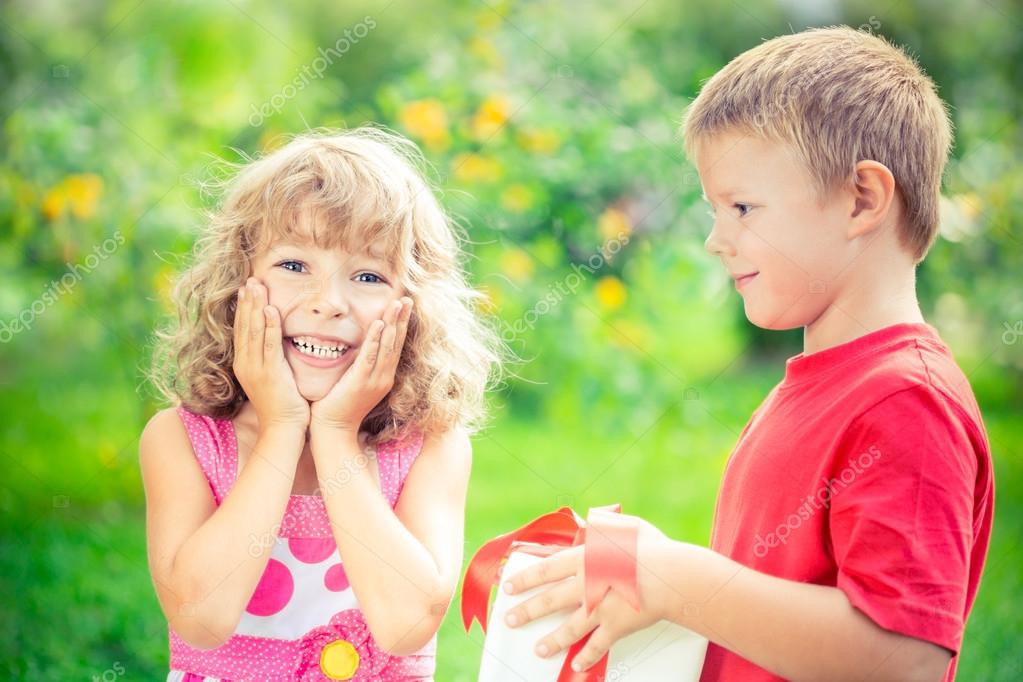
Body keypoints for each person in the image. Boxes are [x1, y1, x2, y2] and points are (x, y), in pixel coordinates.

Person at [501, 26, 994, 682]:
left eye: (741, 207)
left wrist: (680, 579)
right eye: (714, 210)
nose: (715, 239)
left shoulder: (907, 402)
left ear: (861, 200)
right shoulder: (819, 385)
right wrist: (663, 590)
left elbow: (902, 660)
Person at [140, 128, 500, 680]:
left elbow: (406, 624)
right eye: (293, 265)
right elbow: (200, 619)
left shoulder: (430, 448)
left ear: (414, 305)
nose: (327, 303)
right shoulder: (181, 441)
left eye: (368, 276)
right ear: (240, 281)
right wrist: (283, 426)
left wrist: (334, 433)